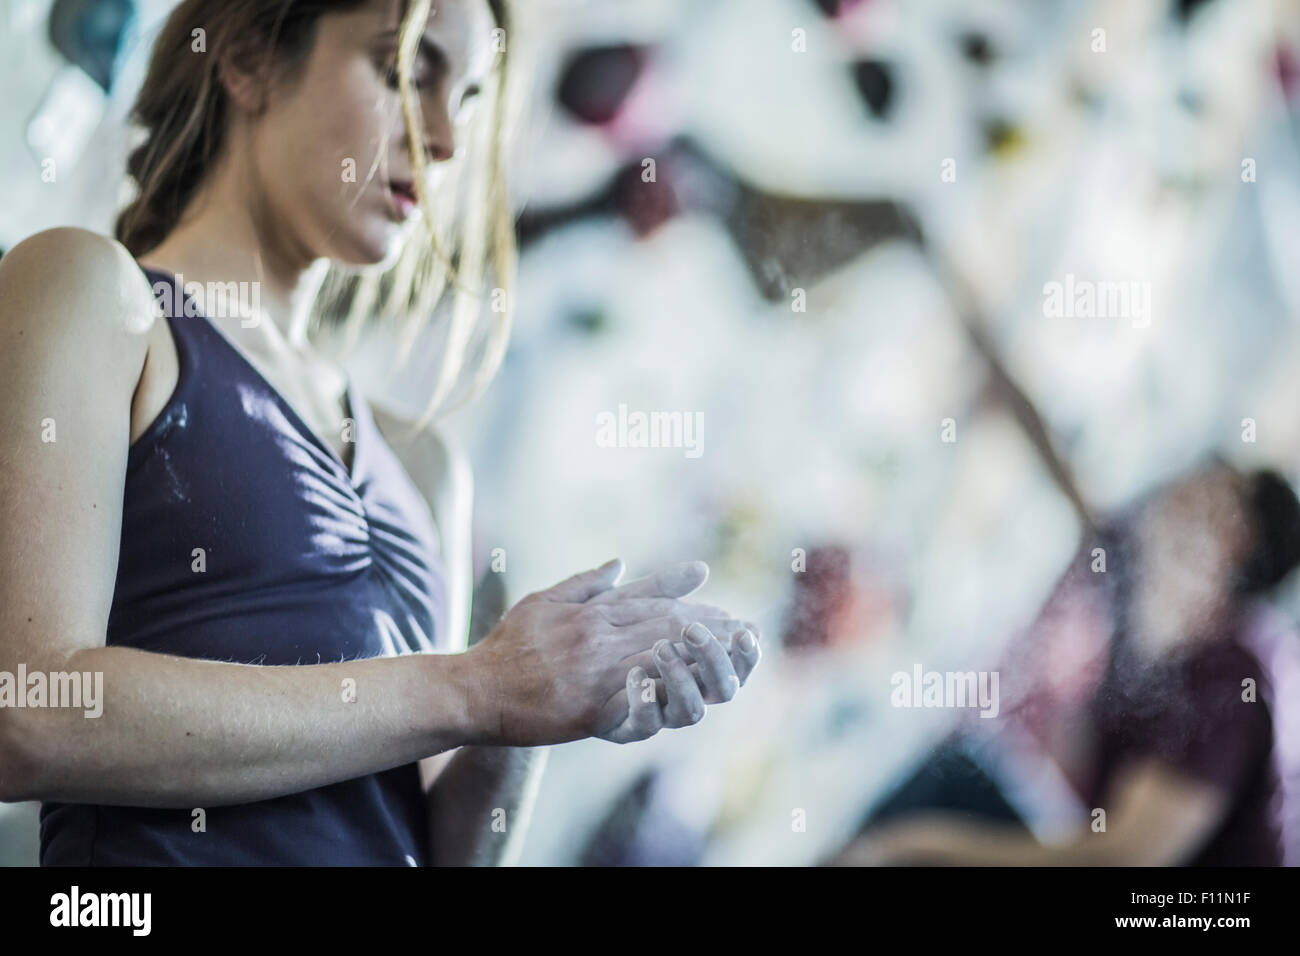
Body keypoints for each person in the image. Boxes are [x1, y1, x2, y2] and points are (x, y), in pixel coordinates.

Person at [0, 0, 761, 866]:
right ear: (247, 58)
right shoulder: (94, 295)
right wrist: (479, 685)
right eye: (406, 71)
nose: (444, 140)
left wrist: (540, 710)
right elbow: (27, 711)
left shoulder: (427, 466)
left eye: (468, 98)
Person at [829, 461, 1300, 865]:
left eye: (1221, 496)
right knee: (949, 776)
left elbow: (1123, 858)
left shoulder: (1228, 686)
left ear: (1235, 548)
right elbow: (1072, 483)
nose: (1197, 481)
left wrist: (922, 845)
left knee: (919, 829)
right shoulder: (1154, 612)